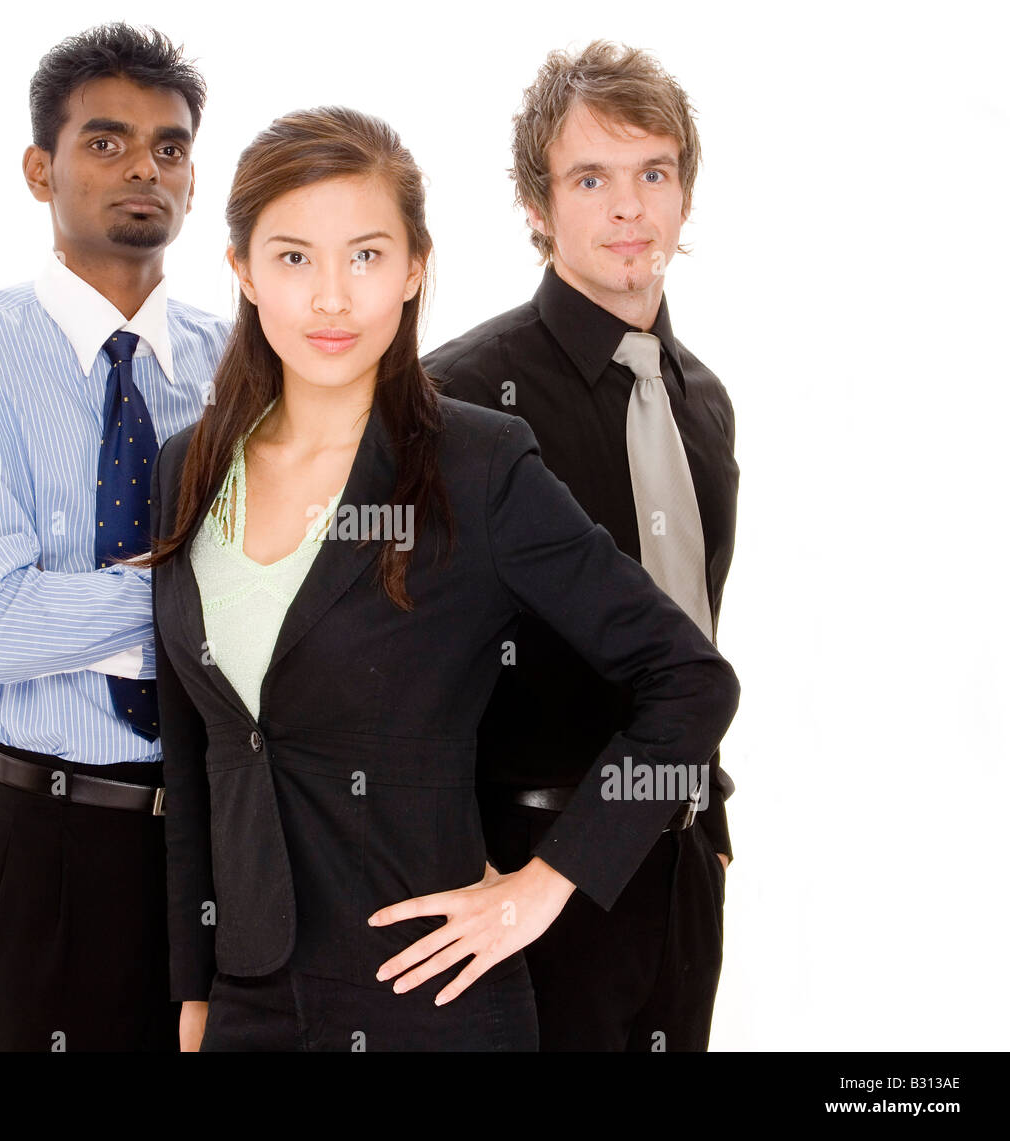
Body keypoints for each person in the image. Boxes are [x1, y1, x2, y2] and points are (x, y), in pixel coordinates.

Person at [141, 105, 740, 1052]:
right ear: (243, 273)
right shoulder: (187, 468)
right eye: (295, 258)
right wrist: (193, 989)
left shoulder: (480, 464)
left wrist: (549, 883)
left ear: (416, 267)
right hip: (249, 998)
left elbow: (692, 682)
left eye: (367, 256)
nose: (332, 297)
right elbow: (195, 752)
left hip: (427, 996)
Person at [0, 23, 228, 1051]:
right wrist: (198, 584)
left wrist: (100, 598)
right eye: (106, 141)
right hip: (46, 840)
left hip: (225, 839)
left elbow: (305, 596)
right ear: (41, 169)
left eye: (169, 147)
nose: (144, 167)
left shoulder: (244, 366)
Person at [423, 40, 740, 1051]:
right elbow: (404, 665)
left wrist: (708, 817)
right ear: (536, 202)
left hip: (680, 873)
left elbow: (685, 633)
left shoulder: (705, 402)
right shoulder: (458, 394)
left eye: (654, 173)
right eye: (590, 178)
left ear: (684, 194)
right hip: (521, 877)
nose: (628, 208)